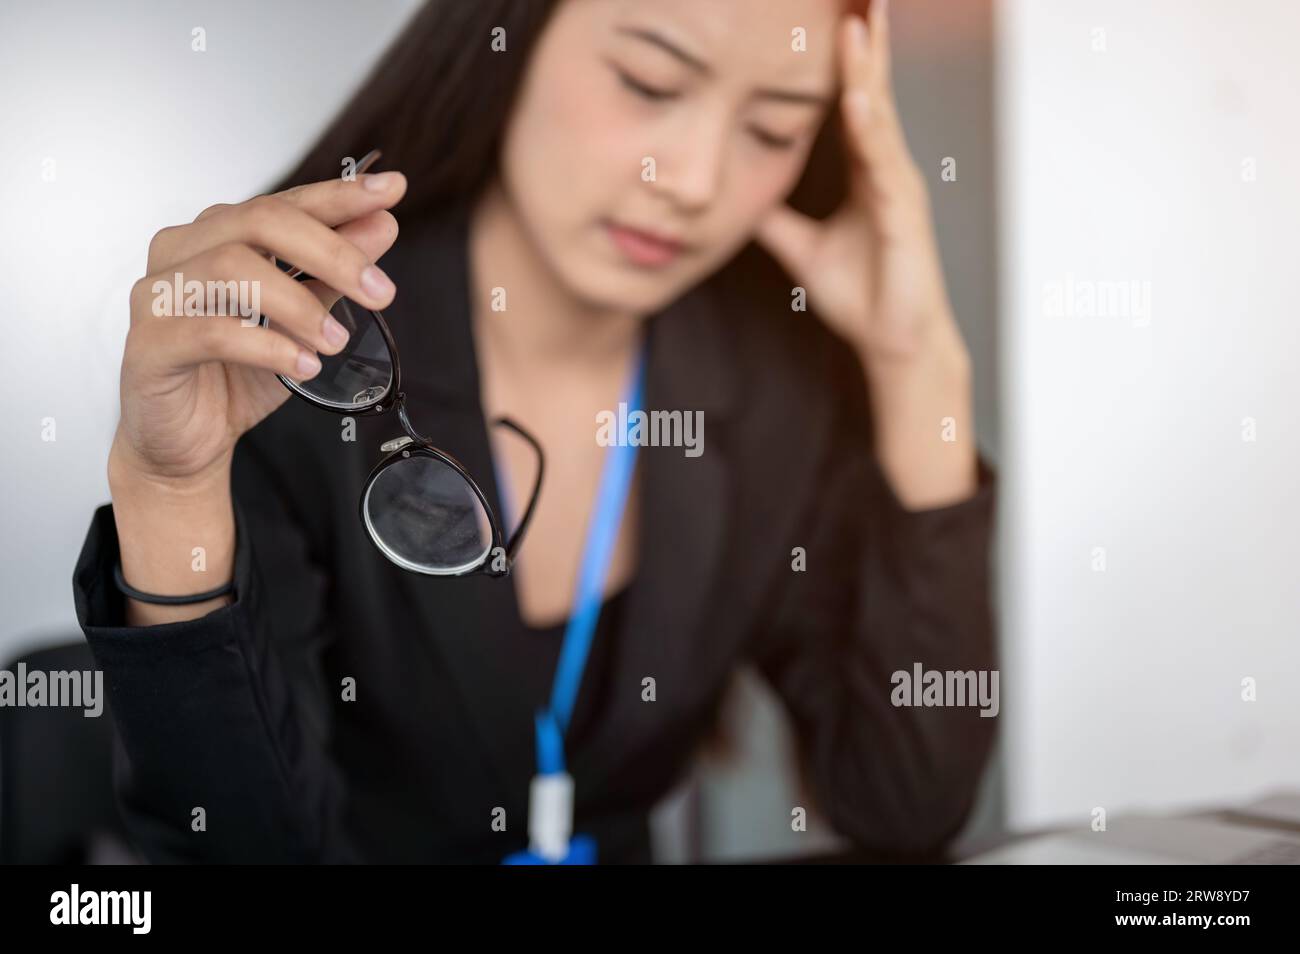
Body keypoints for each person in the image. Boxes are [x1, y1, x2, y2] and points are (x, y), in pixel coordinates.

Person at [73, 0, 998, 863]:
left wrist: (919, 363)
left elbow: (908, 803)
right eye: (649, 83)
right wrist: (169, 494)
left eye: (774, 129)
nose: (693, 180)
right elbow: (237, 845)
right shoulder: (299, 357)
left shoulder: (769, 380)